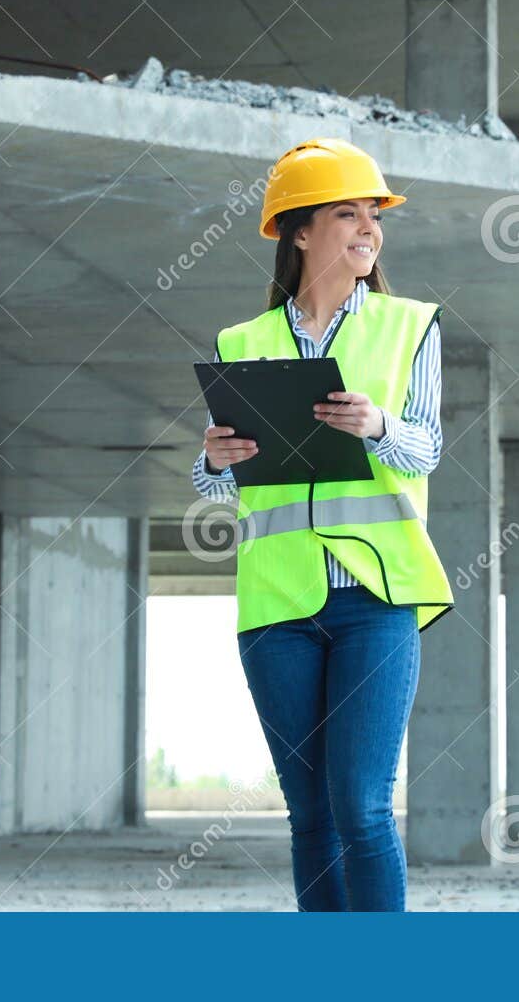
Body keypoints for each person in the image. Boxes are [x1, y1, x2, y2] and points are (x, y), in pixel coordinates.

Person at [190, 137, 454, 912]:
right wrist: (213, 457)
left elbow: (426, 451)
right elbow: (217, 486)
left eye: (375, 216)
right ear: (300, 232)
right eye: (348, 214)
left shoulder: (412, 326)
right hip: (278, 606)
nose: (368, 229)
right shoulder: (242, 343)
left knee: (362, 808)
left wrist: (376, 426)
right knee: (308, 817)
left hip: (376, 598)